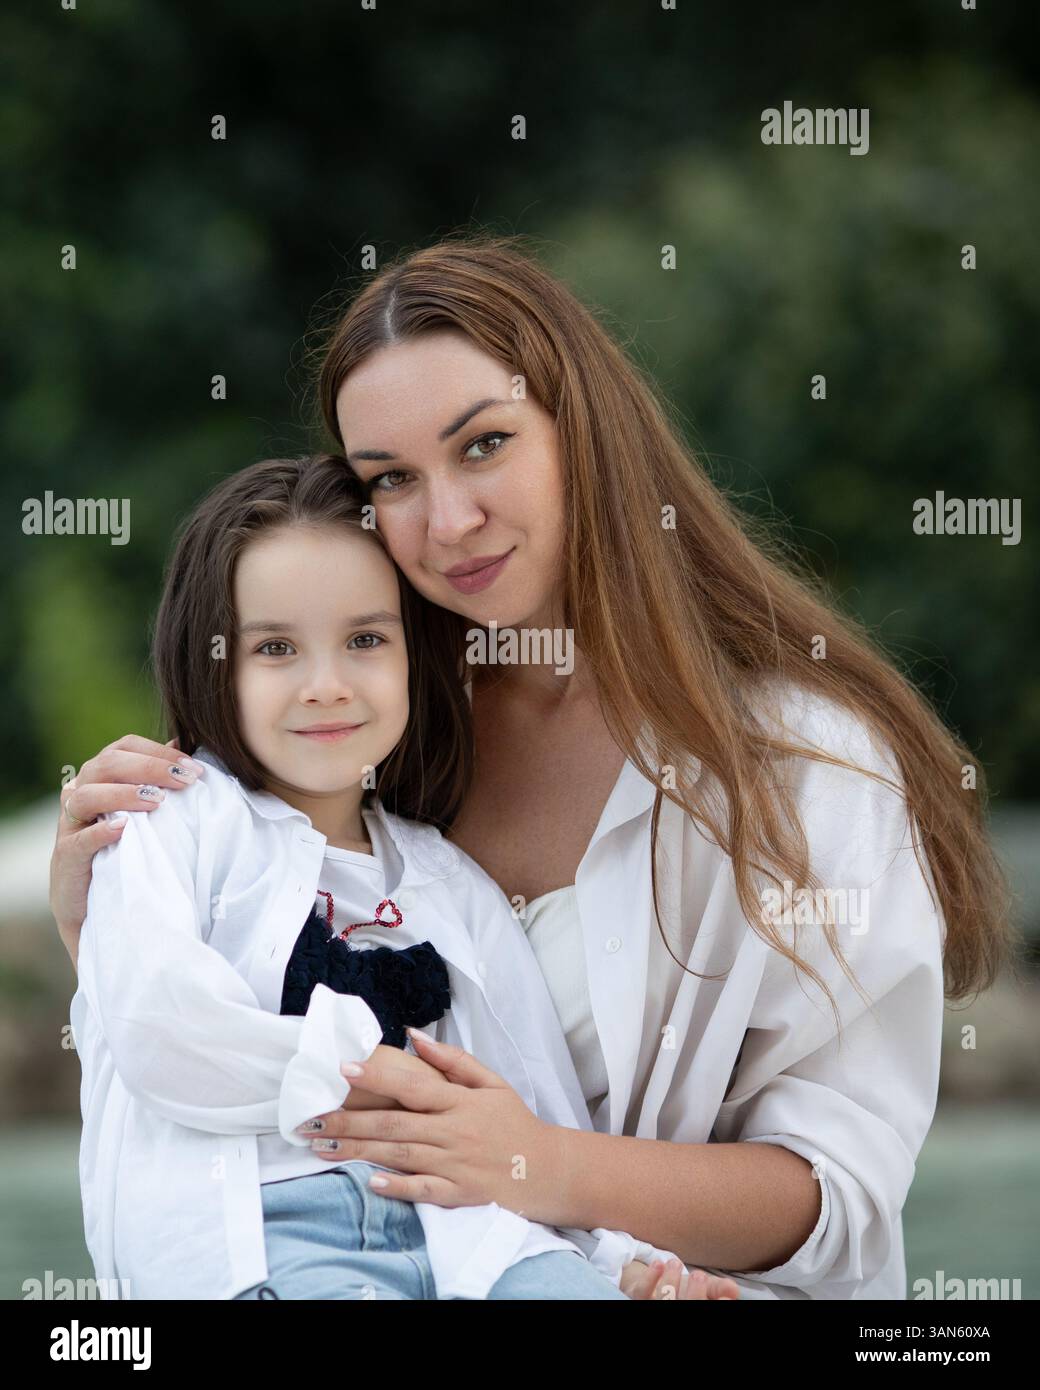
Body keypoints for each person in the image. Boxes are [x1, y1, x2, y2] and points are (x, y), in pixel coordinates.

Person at [53, 235, 1013, 1300]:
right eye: (391, 479)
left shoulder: (804, 763)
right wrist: (95, 927)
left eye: (483, 444)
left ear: (581, 431)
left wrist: (534, 1164)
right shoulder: (377, 730)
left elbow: (833, 1195)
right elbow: (207, 1038)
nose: (447, 520)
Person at [70, 452, 737, 1301]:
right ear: (211, 661)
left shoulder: (450, 883)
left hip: (464, 1229)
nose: (327, 685)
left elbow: (527, 1103)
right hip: (262, 1230)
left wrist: (612, 1259)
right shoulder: (170, 825)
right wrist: (360, 1071)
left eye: (364, 640)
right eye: (275, 647)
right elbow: (158, 1027)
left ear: (413, 654)